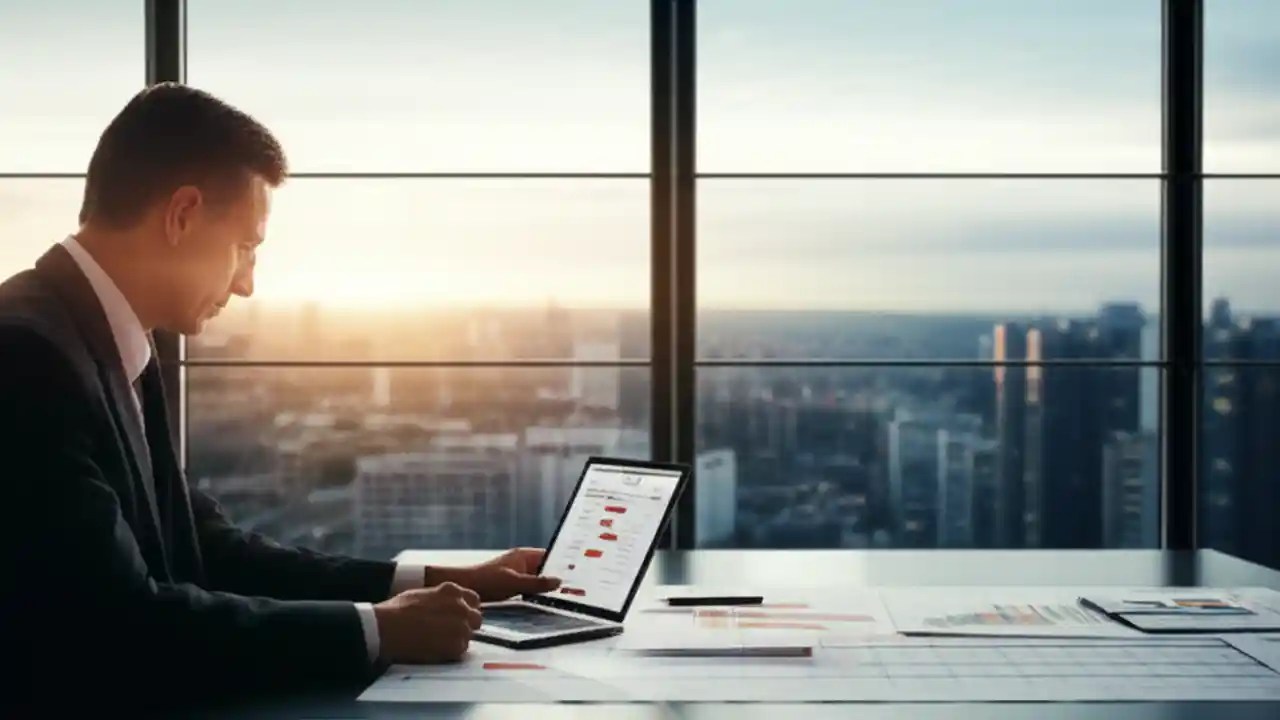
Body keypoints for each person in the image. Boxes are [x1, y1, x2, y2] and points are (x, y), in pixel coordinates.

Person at [0, 83, 560, 711]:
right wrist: (380, 629)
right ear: (182, 215)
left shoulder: (98, 335)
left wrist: (439, 583)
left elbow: (207, 550)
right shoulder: (28, 356)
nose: (246, 284)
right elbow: (118, 622)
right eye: (246, 247)